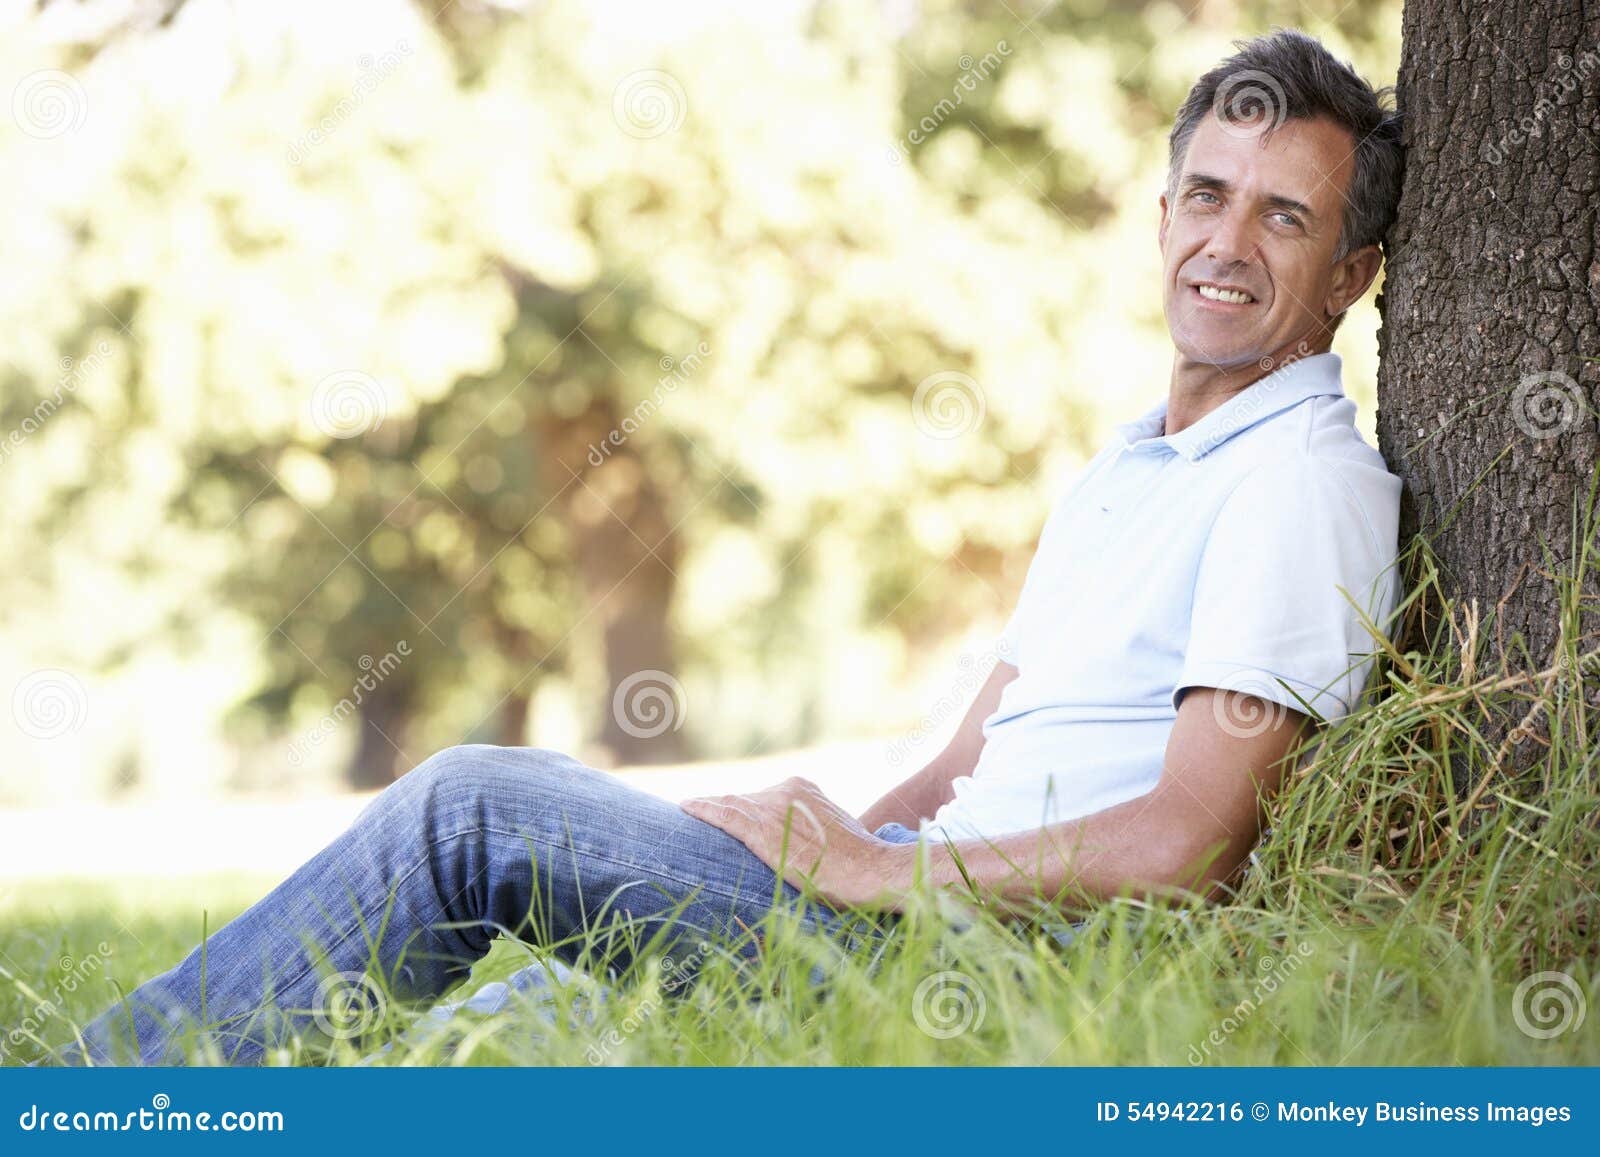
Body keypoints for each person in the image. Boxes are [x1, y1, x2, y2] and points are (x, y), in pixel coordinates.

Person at [65, 27, 1404, 1066]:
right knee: (522, 1016)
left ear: (1350, 275)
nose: (1227, 240)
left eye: (1284, 216)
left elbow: (1192, 842)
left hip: (985, 968)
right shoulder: (1133, 469)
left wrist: (880, 872)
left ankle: (89, 1094)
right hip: (894, 913)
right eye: (1207, 196)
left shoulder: (1298, 480)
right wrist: (808, 835)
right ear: (1164, 213)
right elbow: (959, 764)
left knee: (468, 807)